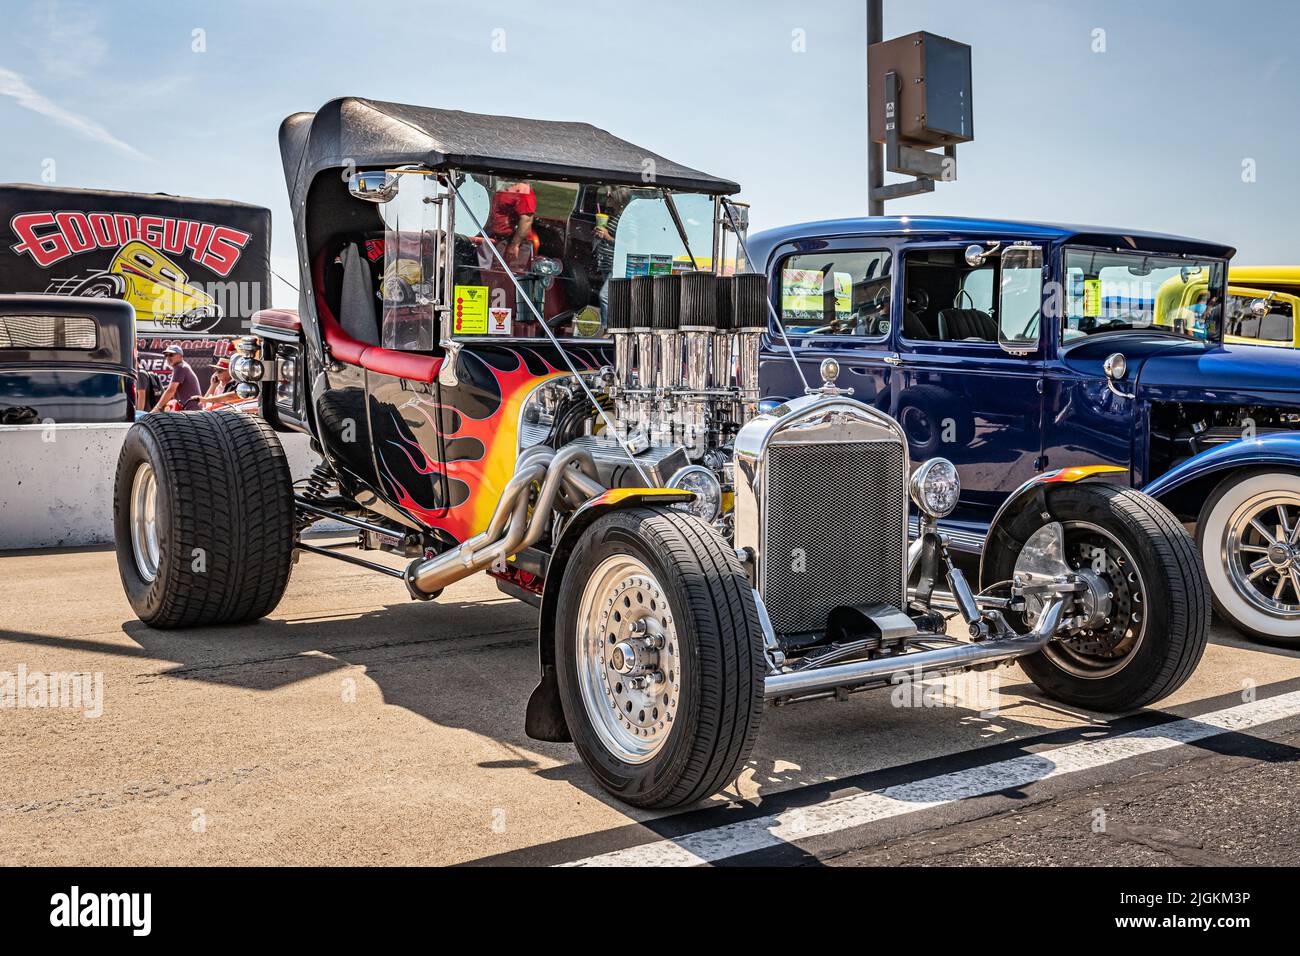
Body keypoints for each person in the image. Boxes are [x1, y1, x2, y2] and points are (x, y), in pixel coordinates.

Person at [151, 345, 202, 413]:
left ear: (180, 356)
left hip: (191, 411)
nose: (168, 357)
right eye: (166, 355)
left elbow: (171, 390)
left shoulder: (180, 367)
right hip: (190, 410)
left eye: (171, 355)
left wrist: (157, 408)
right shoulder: (181, 367)